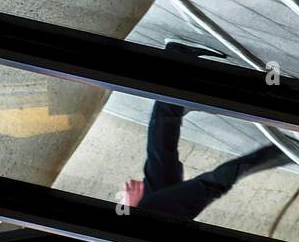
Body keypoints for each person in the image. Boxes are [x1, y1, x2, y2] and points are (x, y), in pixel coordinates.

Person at [120, 45, 288, 220]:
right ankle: (177, 58)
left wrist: (128, 211)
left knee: (211, 185)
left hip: (150, 222)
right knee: (162, 151)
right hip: (145, 222)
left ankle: (284, 152)